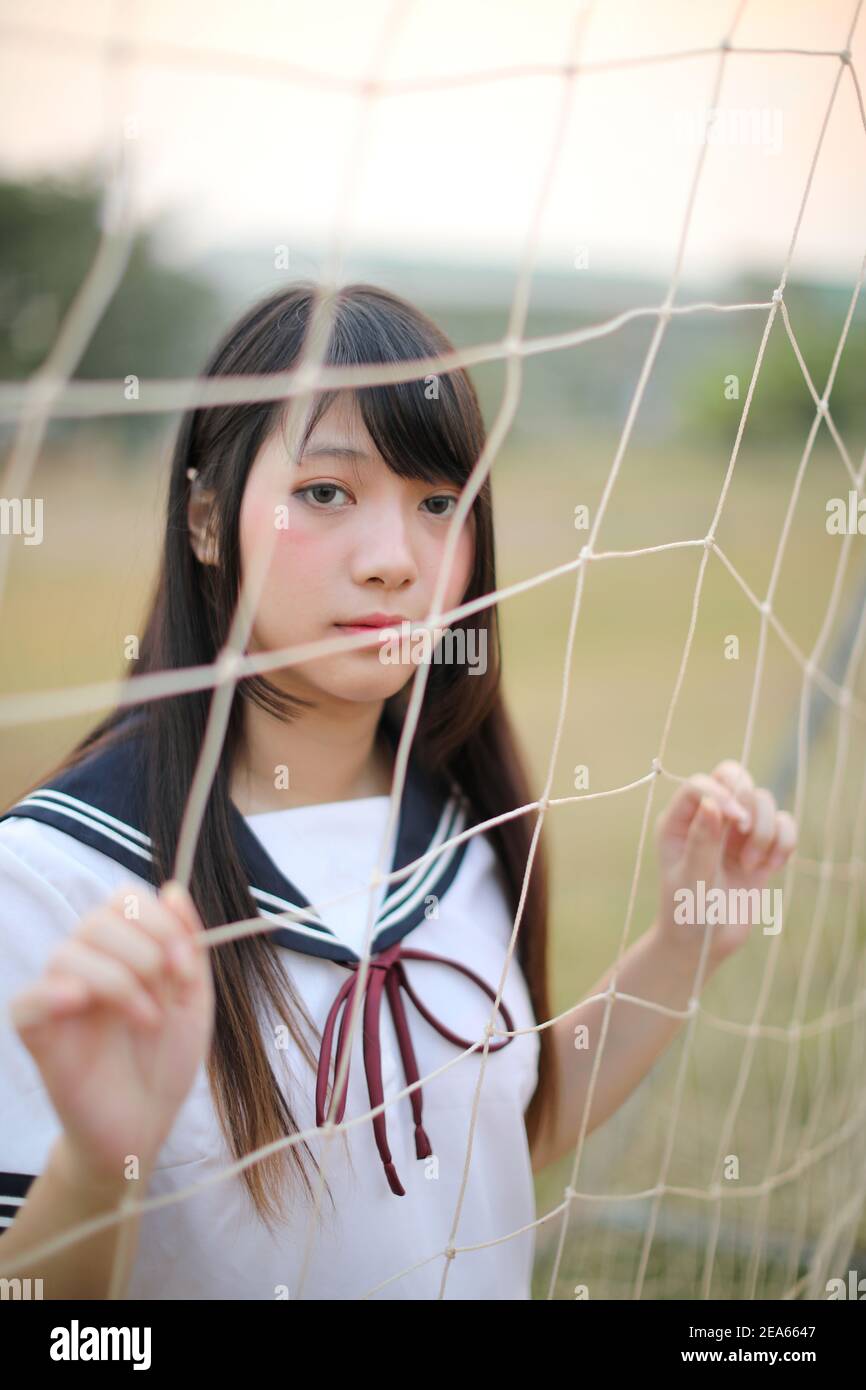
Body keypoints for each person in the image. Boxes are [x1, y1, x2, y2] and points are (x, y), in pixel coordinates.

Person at [0, 282, 797, 1300]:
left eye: (438, 505)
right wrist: (93, 1166)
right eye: (326, 493)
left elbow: (502, 1131)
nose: (393, 563)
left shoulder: (463, 820)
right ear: (205, 519)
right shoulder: (58, 882)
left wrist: (681, 945)